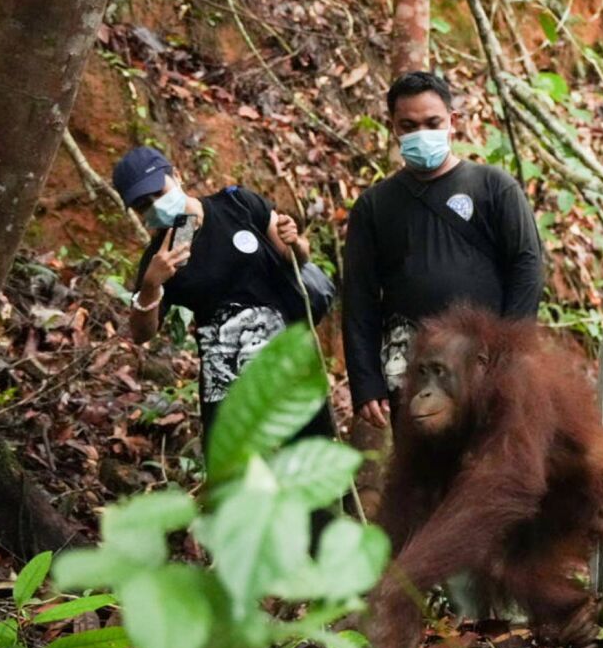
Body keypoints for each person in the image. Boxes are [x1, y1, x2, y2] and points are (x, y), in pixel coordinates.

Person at [341, 71, 544, 431]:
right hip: (412, 367)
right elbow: (360, 298)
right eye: (409, 125)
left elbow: (526, 266)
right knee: (422, 473)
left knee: (489, 467)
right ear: (394, 129)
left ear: (452, 121)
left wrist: (508, 352)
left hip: (482, 362)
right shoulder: (375, 206)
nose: (421, 133)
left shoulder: (493, 187)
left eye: (432, 122)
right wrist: (365, 380)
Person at [117, 145, 331, 439]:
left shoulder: (237, 204)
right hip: (228, 386)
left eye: (159, 192)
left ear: (176, 176)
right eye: (144, 205)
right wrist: (151, 285)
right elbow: (142, 334)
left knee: (310, 466)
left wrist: (295, 241)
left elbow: (296, 257)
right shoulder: (161, 255)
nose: (156, 205)